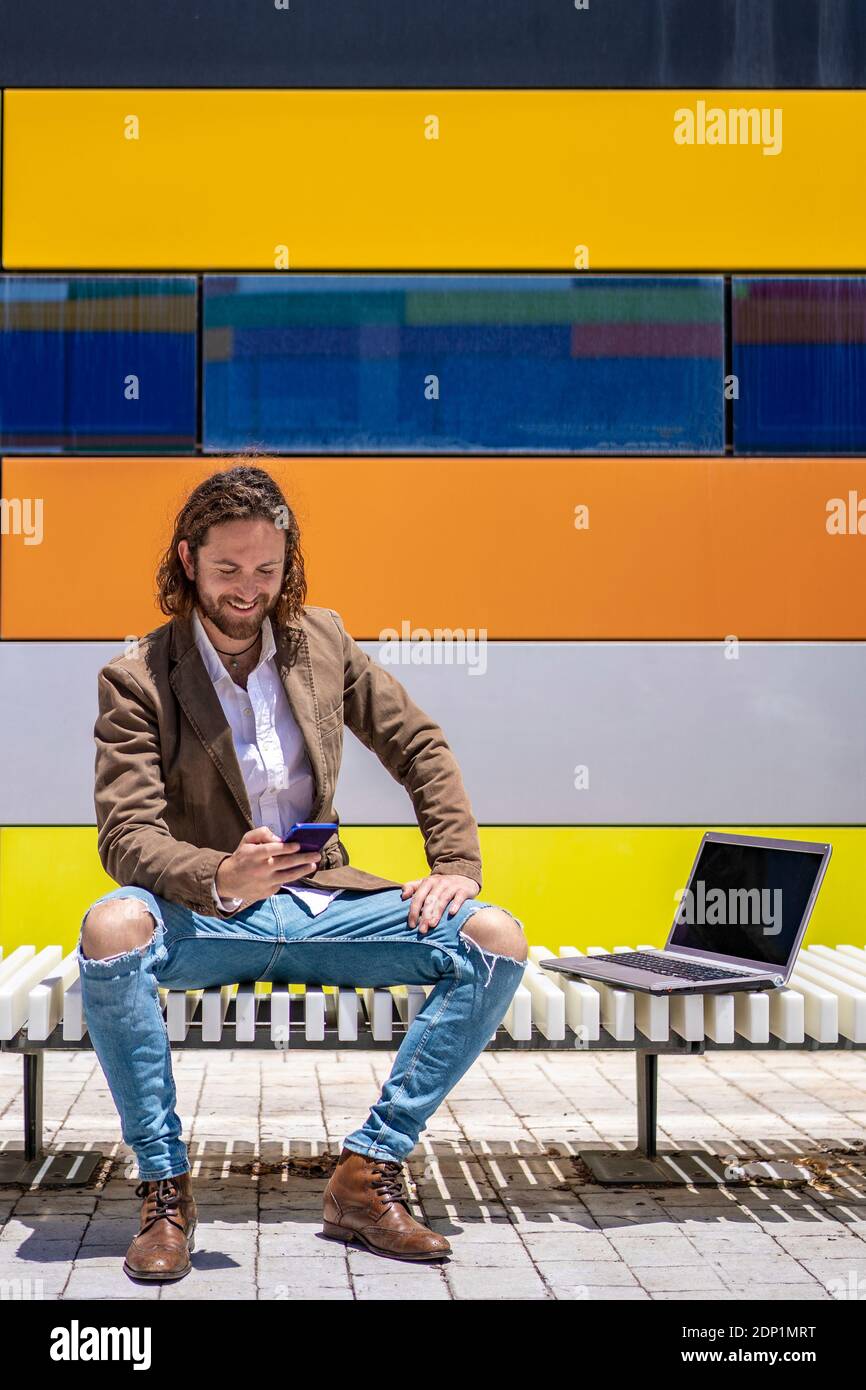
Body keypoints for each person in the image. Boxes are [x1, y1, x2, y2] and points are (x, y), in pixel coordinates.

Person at [77, 462, 528, 1282]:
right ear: (187, 560)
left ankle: (368, 1173)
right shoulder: (136, 677)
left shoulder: (322, 640)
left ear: (288, 565)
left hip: (324, 905)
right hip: (208, 916)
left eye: (267, 569)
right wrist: (222, 873)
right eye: (227, 570)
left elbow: (419, 745)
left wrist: (456, 864)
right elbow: (128, 835)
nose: (248, 590)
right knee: (109, 927)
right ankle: (164, 1188)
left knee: (495, 937)